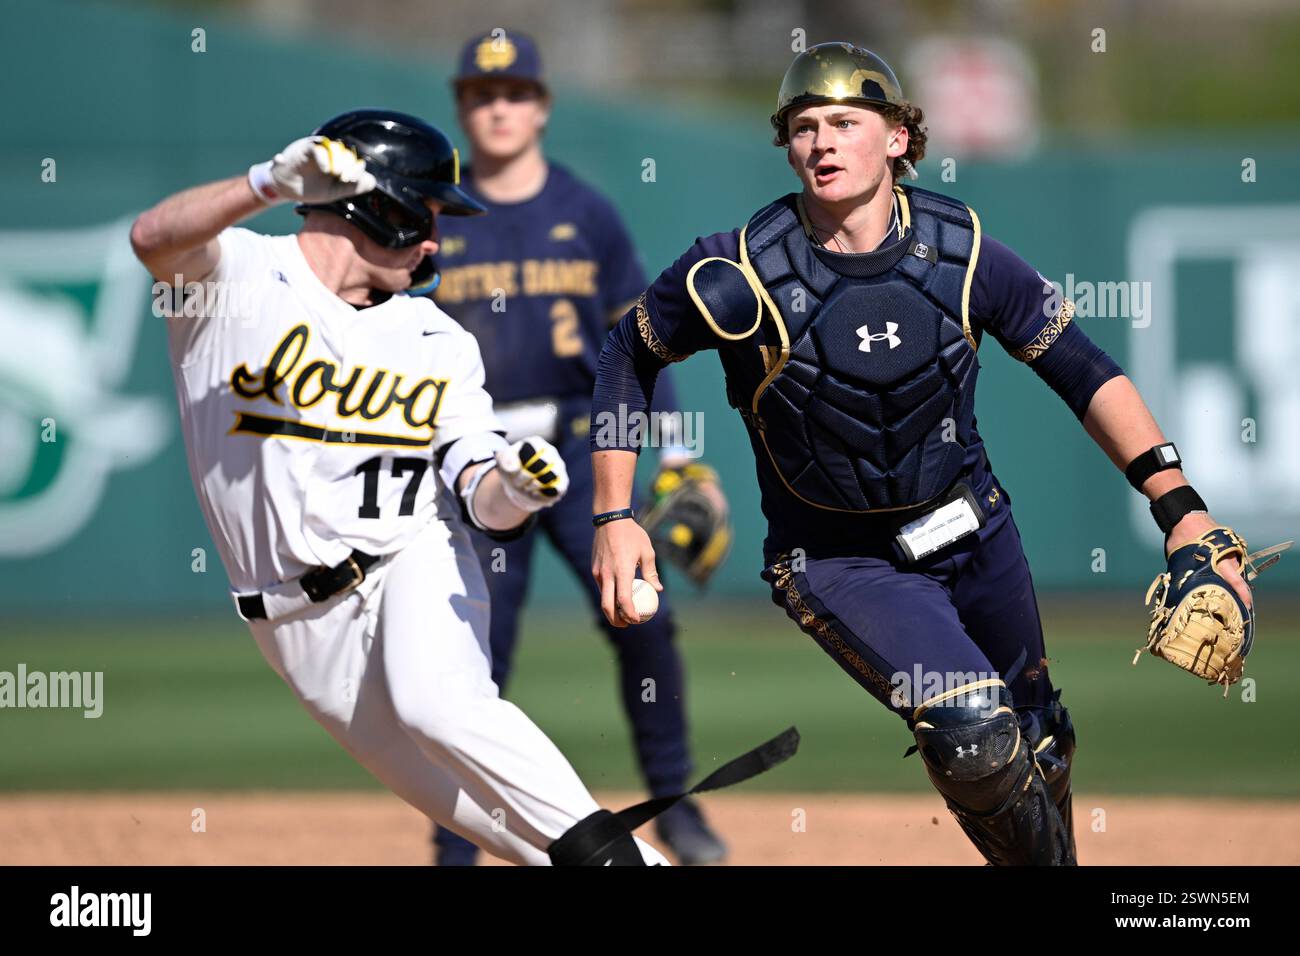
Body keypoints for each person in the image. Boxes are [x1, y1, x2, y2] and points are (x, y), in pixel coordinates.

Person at [588, 43, 1256, 865]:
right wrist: (615, 514)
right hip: (839, 558)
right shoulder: (738, 271)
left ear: (899, 137)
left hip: (974, 528)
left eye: (845, 121)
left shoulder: (963, 250)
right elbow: (628, 353)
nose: (822, 142)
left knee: (1039, 745)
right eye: (802, 127)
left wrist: (1182, 510)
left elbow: (1084, 370)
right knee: (974, 733)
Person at [131, 108, 671, 866]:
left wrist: (513, 489)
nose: (434, 240)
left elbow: (477, 486)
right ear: (374, 207)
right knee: (494, 823)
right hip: (292, 622)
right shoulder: (240, 278)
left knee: (440, 705)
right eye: (426, 214)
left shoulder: (437, 340)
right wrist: (262, 184)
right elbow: (153, 238)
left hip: (410, 559)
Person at [422, 29, 729, 866]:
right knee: (467, 661)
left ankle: (679, 810)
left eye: (515, 92)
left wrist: (674, 455)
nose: (499, 108)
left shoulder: (583, 210)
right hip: (473, 459)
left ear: (543, 106)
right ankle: (455, 843)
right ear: (461, 106)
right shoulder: (433, 210)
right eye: (482, 95)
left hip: (581, 440)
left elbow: (641, 342)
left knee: (641, 621)